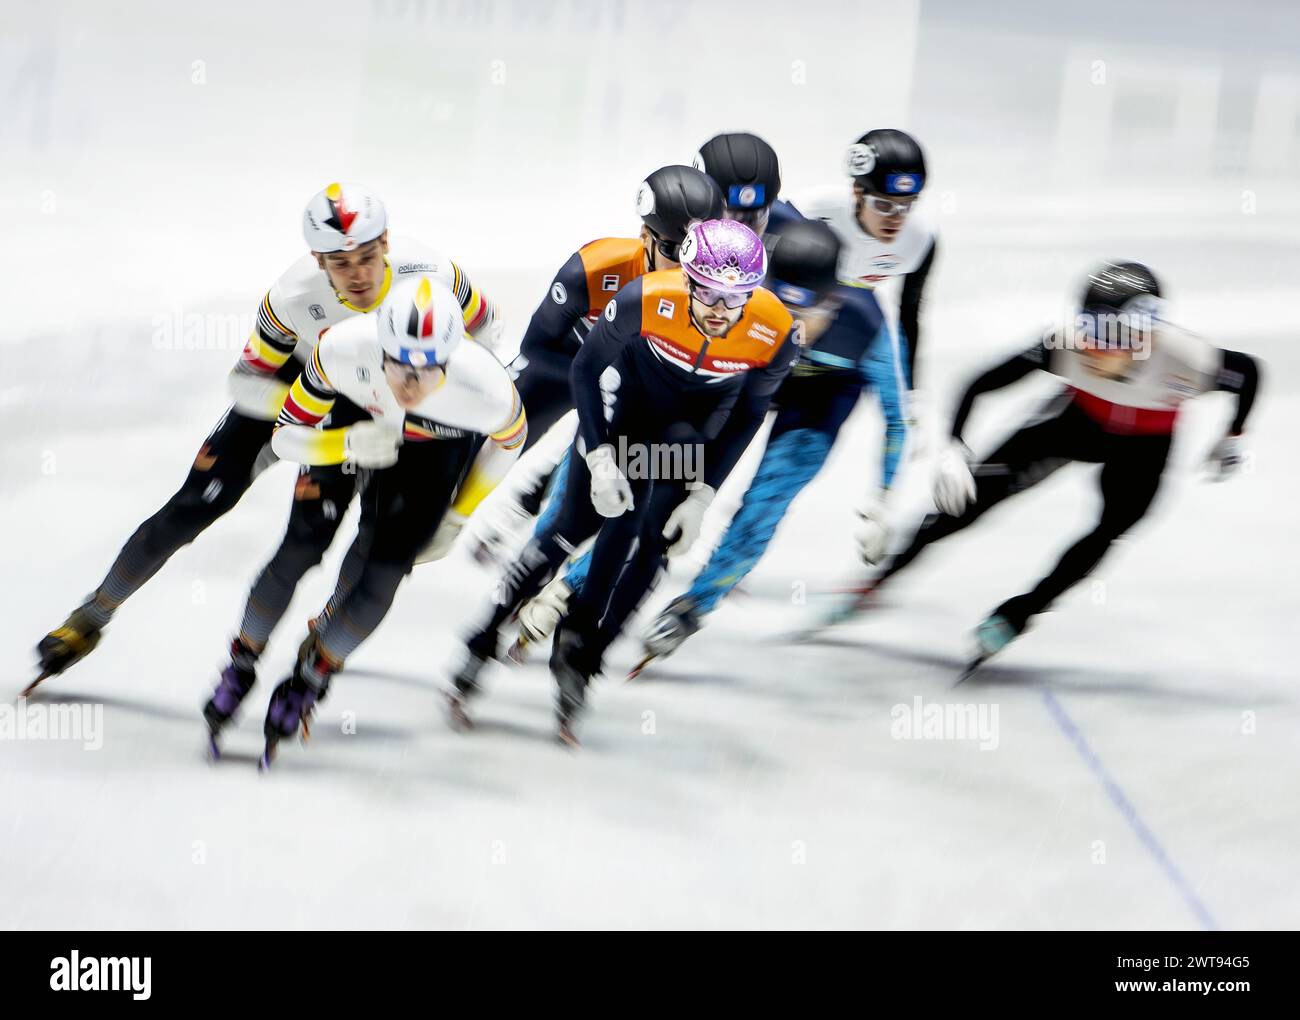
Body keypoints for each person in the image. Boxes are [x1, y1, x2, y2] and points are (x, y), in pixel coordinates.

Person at [30, 183, 498, 692]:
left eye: (366, 256)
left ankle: (327, 634)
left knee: (379, 536)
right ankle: (95, 612)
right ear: (318, 260)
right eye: (341, 263)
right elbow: (244, 381)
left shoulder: (434, 274)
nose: (358, 274)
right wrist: (312, 416)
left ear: (386, 243)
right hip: (301, 384)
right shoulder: (294, 297)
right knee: (194, 505)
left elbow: (488, 340)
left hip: (388, 390)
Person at [853, 261, 1260, 667]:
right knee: (968, 502)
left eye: (1109, 335)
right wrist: (954, 448)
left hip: (1144, 447)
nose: (1092, 348)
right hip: (1075, 423)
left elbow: (1249, 373)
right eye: (1090, 328)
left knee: (1110, 532)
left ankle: (1021, 612)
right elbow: (979, 384)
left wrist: (1234, 434)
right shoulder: (1063, 347)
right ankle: (882, 577)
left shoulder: (1188, 360)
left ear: (1144, 336)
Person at [204, 276, 526, 764]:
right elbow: (285, 435)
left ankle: (312, 675)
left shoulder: (488, 391)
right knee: (300, 548)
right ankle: (241, 664)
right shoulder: (341, 350)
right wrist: (344, 446)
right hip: (355, 421)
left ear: (452, 358)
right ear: (379, 346)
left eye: (426, 370)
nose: (410, 384)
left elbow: (509, 444)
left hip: (431, 449)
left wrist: (458, 516)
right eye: (398, 365)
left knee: (383, 575)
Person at [638, 219, 908, 666]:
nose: (796, 327)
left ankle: (694, 607)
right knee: (670, 472)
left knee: (767, 500)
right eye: (784, 308)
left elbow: (897, 417)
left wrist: (883, 497)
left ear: (837, 300)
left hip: (818, 400)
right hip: (751, 373)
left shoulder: (870, 328)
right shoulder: (738, 293)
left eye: (811, 313)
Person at [471, 165, 724, 563]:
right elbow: (536, 349)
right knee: (486, 439)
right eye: (674, 251)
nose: (688, 268)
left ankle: (535, 521)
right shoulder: (594, 270)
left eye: (701, 253)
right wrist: (597, 375)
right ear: (645, 237)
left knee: (609, 452)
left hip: (637, 383)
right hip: (568, 366)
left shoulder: (719, 293)